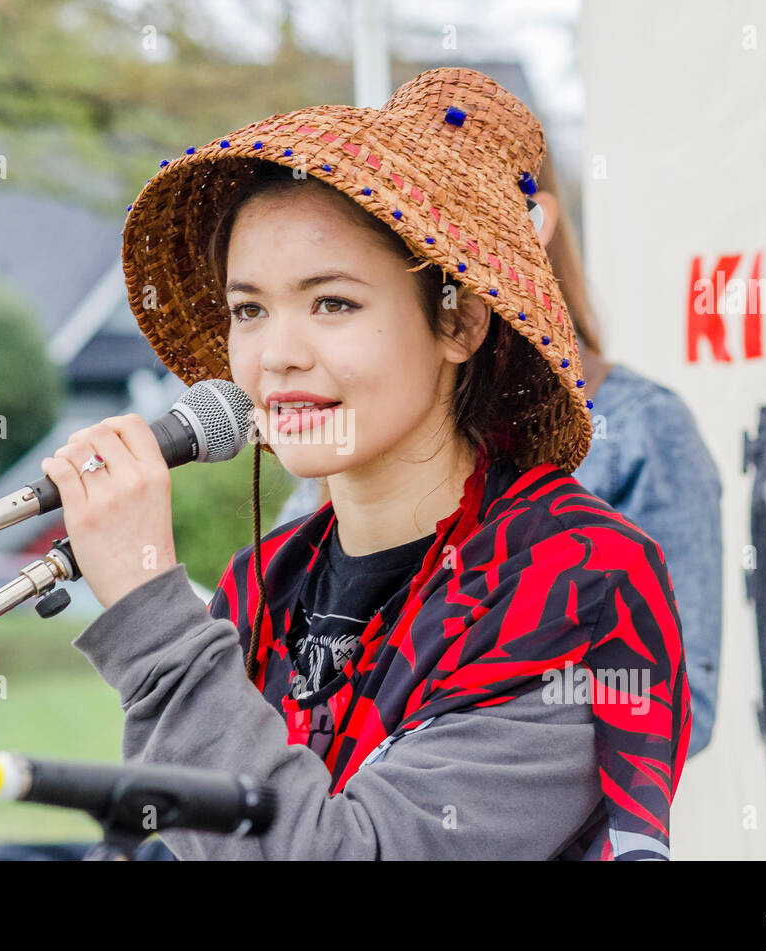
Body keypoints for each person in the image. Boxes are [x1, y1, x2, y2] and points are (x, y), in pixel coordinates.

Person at [43, 67, 691, 859]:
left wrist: (150, 611)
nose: (277, 355)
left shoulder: (573, 579)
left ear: (458, 325)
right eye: (250, 309)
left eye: (333, 303)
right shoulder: (262, 584)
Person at [272, 150, 724, 757]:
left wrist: (469, 731)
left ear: (533, 224)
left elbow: (677, 697)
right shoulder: (355, 426)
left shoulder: (642, 427)